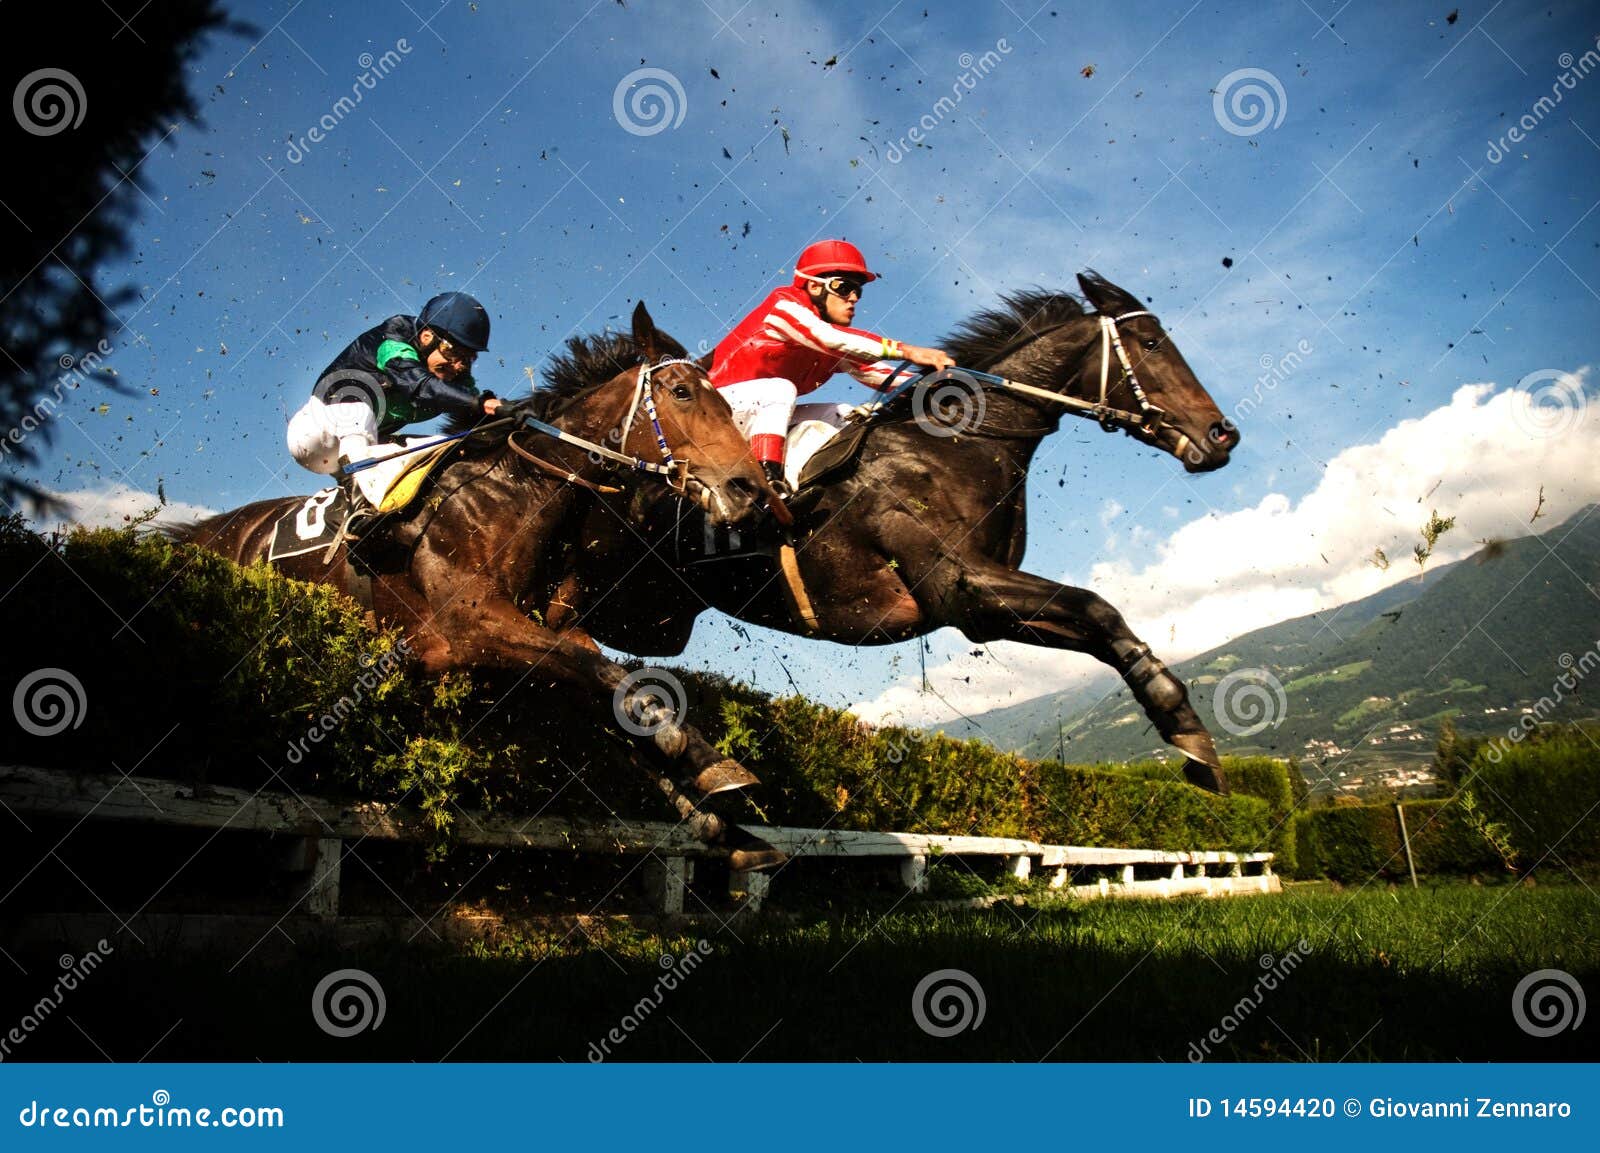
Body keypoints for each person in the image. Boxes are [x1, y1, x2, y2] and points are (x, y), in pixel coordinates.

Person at [708, 239, 954, 495]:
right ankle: (764, 488)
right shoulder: (783, 308)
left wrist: (940, 384)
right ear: (814, 286)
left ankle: (798, 489)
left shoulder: (832, 349)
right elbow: (830, 338)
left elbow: (878, 374)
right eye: (844, 288)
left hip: (753, 417)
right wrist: (907, 350)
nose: (854, 298)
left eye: (858, 291)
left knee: (842, 415)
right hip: (710, 414)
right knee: (780, 390)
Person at [286, 292, 502, 500]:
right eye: (452, 353)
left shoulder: (457, 375)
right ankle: (360, 496)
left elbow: (475, 410)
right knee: (358, 410)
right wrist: (482, 403)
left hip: (364, 444)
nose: (457, 366)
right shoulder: (393, 341)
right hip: (314, 435)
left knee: (443, 447)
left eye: (467, 358)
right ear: (427, 338)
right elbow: (418, 384)